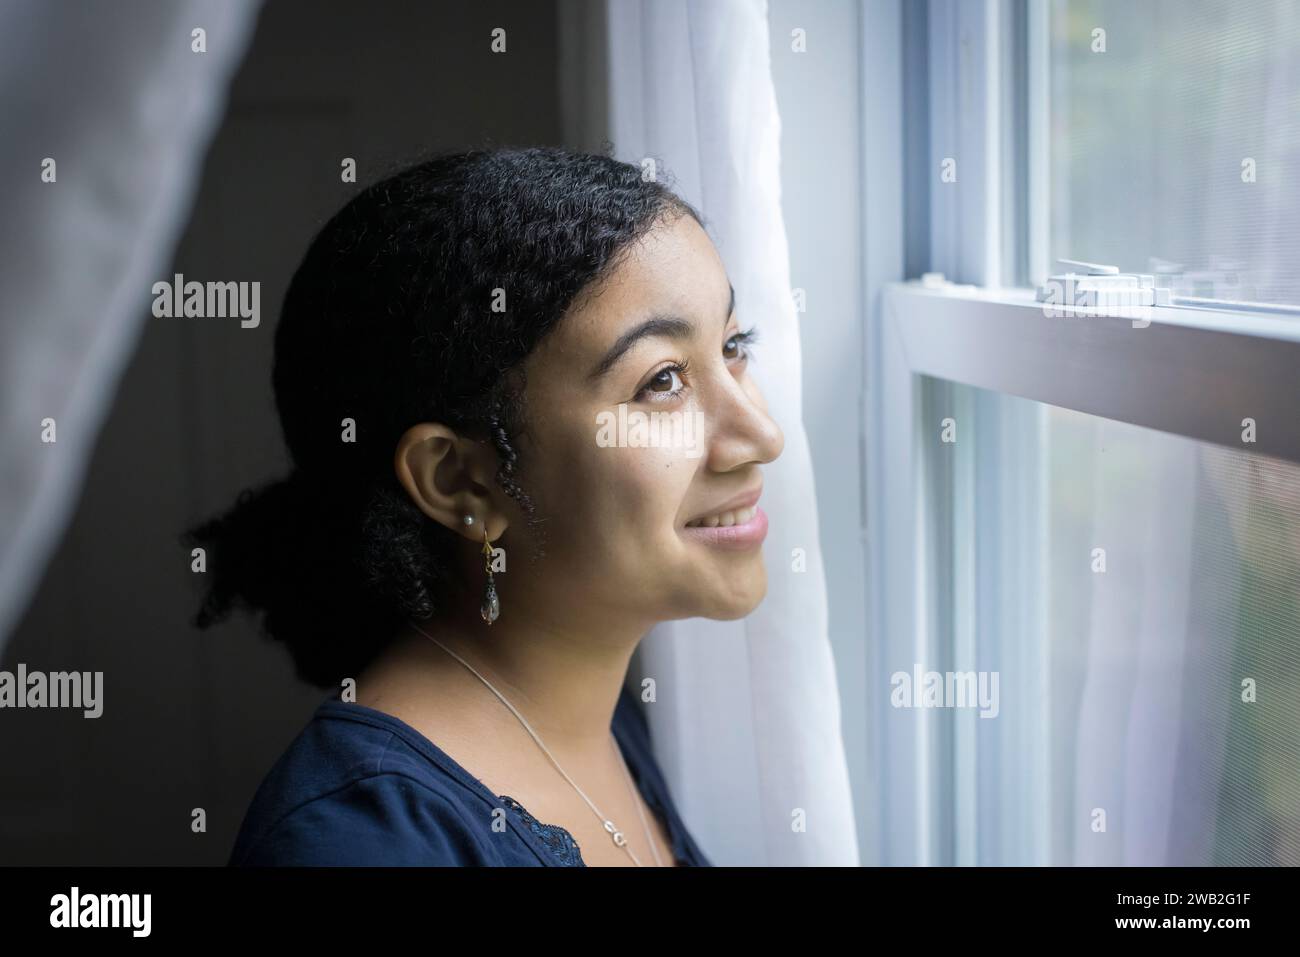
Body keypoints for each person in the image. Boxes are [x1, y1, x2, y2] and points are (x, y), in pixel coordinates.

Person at [186, 146, 784, 866]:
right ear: (460, 482)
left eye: (734, 344)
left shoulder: (604, 713)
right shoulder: (365, 842)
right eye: (661, 381)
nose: (762, 435)